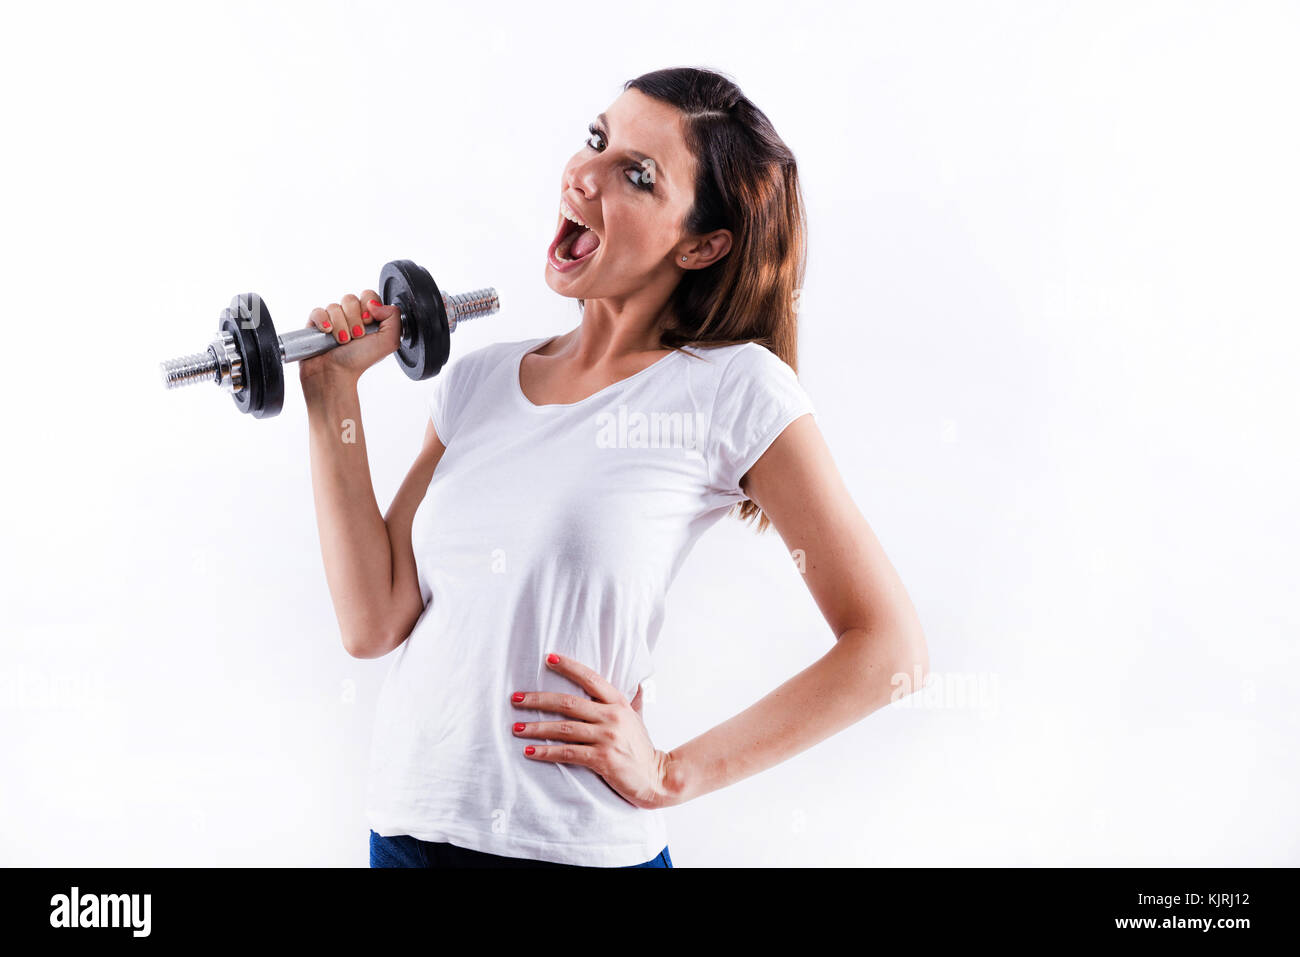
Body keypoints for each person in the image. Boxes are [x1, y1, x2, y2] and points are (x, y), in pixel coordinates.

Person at [298, 67, 929, 868]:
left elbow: (892, 649)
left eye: (637, 175)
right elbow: (373, 621)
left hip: (575, 850)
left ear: (701, 244)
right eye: (597, 139)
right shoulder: (477, 381)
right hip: (407, 835)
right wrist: (332, 393)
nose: (583, 174)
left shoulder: (730, 389)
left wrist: (673, 770)